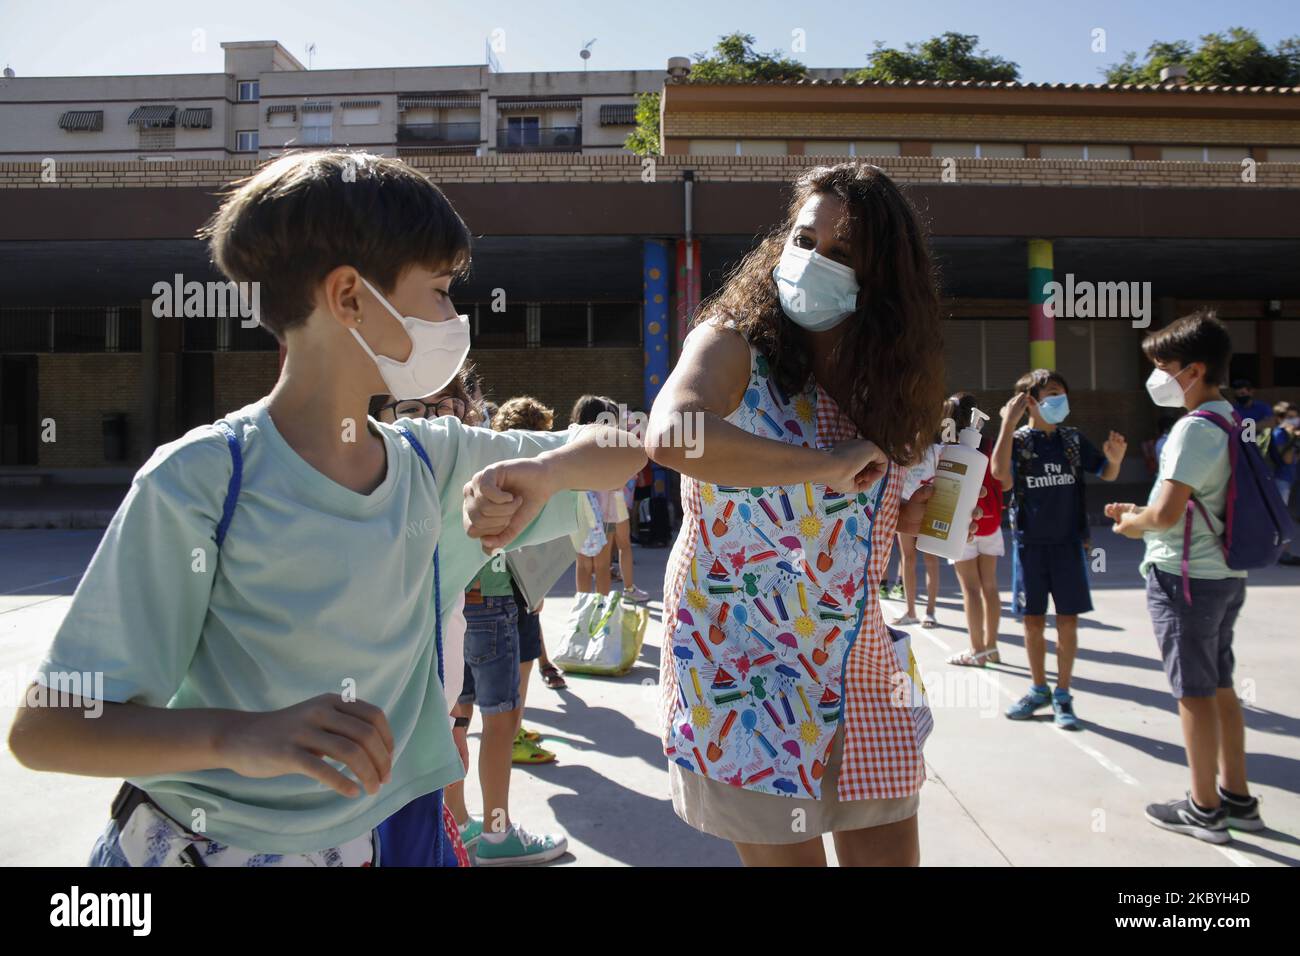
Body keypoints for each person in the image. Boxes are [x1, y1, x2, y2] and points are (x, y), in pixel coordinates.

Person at [7, 150, 645, 867]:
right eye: (438, 292)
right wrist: (238, 737)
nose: (453, 319)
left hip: (389, 838)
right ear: (349, 298)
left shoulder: (432, 461)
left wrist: (546, 468)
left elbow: (623, 444)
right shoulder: (201, 481)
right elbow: (46, 727)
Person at [648, 162, 962, 866]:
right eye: (804, 238)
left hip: (857, 666)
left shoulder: (885, 380)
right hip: (745, 673)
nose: (813, 261)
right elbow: (673, 436)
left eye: (843, 252)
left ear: (884, 279)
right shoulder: (731, 343)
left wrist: (902, 517)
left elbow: (862, 502)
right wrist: (824, 468)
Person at [1105, 310, 1264, 843]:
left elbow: (1168, 515)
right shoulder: (1230, 419)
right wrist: (1146, 509)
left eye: (1164, 366)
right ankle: (1237, 797)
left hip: (1184, 576)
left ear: (1193, 370)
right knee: (1220, 686)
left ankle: (1204, 807)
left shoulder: (1193, 428)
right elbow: (1196, 500)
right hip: (1222, 572)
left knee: (1192, 693)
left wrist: (1133, 524)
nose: (1158, 377)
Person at [991, 368, 1126, 730]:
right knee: (1033, 623)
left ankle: (1063, 694)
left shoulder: (1072, 440)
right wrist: (1007, 424)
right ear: (1030, 400)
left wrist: (1115, 458)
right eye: (1051, 392)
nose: (1059, 398)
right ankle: (1039, 689)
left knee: (1068, 622)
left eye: (1062, 392)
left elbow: (1107, 473)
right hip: (1030, 546)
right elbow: (1000, 476)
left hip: (1069, 545)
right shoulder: (1018, 442)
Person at [488, 396, 566, 755]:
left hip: (501, 588)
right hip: (513, 588)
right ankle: (511, 736)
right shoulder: (523, 477)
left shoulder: (488, 469)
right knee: (519, 666)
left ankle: (512, 730)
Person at [943, 392, 1005, 667]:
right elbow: (1004, 483)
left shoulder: (948, 449)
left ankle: (976, 650)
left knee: (970, 589)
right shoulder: (990, 445)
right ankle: (991, 647)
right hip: (991, 522)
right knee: (990, 587)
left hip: (961, 525)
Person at [890, 436, 942, 628]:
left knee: (930, 559)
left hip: (929, 507)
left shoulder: (935, 450)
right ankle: (910, 611)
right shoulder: (899, 447)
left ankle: (930, 612)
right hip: (904, 504)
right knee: (908, 558)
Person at [1267, 401, 1300, 566]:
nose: (1295, 421)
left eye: (1296, 417)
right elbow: (1287, 460)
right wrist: (1294, 439)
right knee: (1281, 518)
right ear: (1280, 419)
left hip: (1286, 479)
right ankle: (1282, 553)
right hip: (1279, 480)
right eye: (1290, 418)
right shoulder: (1280, 434)